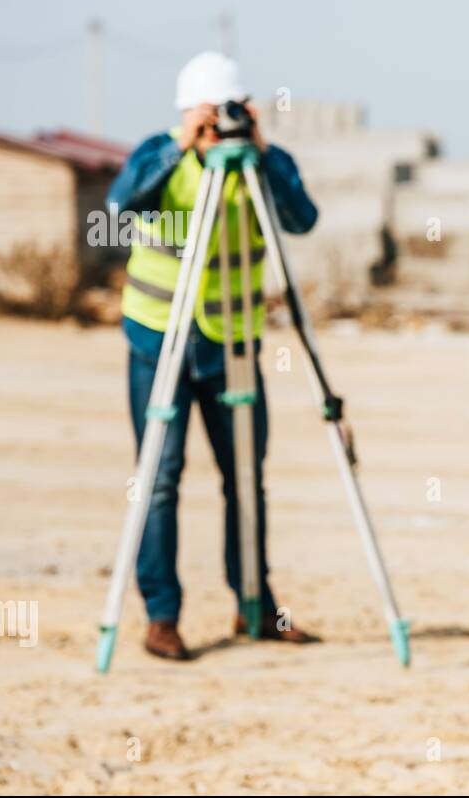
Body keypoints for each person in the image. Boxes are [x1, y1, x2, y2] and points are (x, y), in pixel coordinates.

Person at [107, 51, 320, 660]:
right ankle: (162, 617)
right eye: (212, 113)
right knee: (159, 479)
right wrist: (182, 145)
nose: (221, 124)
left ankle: (255, 605)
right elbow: (120, 209)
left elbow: (302, 219)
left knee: (247, 478)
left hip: (233, 346)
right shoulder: (158, 156)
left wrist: (260, 149)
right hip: (159, 339)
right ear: (186, 113)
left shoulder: (263, 163)